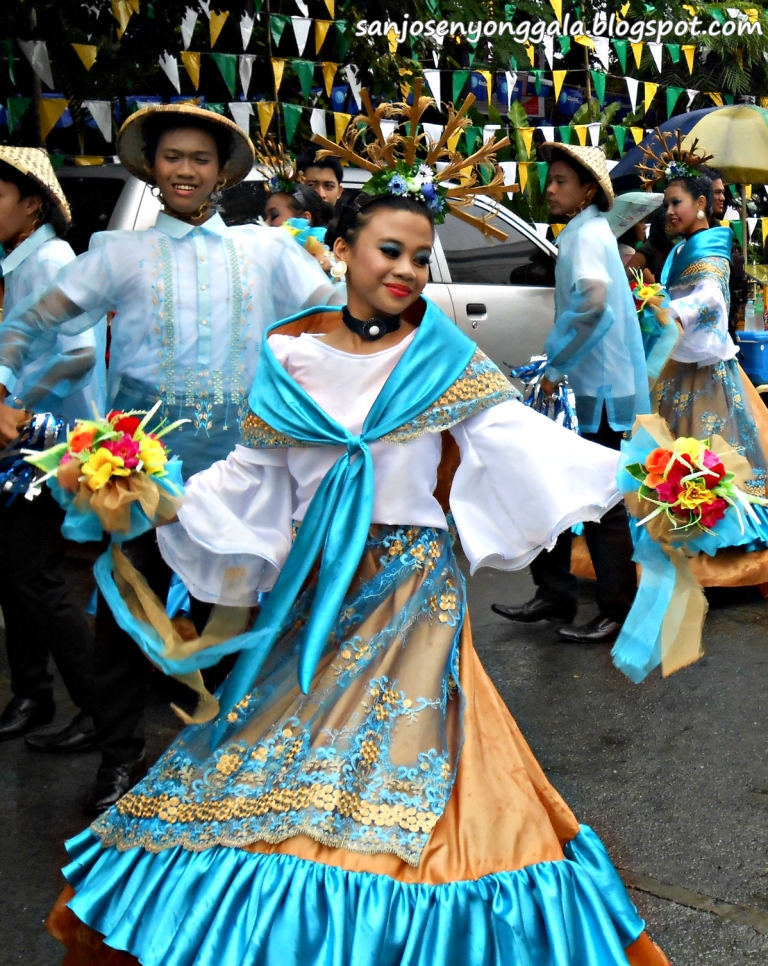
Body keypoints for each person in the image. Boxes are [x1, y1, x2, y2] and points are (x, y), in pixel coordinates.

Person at [46, 97, 669, 966]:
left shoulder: (439, 355)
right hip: (315, 586)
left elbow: (519, 441)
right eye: (389, 250)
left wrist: (648, 474)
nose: (408, 270)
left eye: (420, 255)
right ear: (339, 250)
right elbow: (255, 475)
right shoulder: (290, 353)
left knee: (388, 775)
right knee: (271, 759)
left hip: (414, 590)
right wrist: (154, 490)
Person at [0, 104, 343, 815]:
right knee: (126, 614)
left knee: (232, 616)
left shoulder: (265, 251)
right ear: (152, 169)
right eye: (172, 157)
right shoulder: (117, 254)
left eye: (200, 159)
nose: (186, 171)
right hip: (139, 471)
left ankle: (219, 760)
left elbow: (335, 317)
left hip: (239, 471)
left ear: (222, 172)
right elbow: (32, 322)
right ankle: (120, 759)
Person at [492, 144, 649, 645]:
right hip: (593, 384)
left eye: (561, 181)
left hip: (592, 388)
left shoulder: (584, 234)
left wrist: (556, 363)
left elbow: (594, 302)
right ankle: (555, 592)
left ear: (587, 191)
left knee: (600, 500)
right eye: (551, 179)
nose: (551, 189)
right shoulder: (587, 230)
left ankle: (617, 609)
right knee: (555, 484)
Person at [0, 147, 103, 750]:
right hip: (21, 437)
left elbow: (78, 352)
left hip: (47, 440)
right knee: (13, 572)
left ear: (33, 204)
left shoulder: (52, 259)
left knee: (34, 575)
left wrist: (15, 404)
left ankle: (100, 710)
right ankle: (32, 694)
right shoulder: (17, 260)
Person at [641, 139, 768, 585]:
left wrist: (671, 311)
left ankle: (718, 549)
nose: (669, 211)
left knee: (709, 452)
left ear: (700, 204)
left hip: (704, 368)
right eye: (666, 204)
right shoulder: (683, 248)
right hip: (678, 360)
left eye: (676, 203)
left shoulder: (710, 246)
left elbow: (711, 298)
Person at [699, 164, 747, 338]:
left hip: (723, 327)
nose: (722, 198)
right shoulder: (686, 237)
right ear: (703, 197)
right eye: (717, 192)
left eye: (723, 192)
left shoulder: (720, 233)